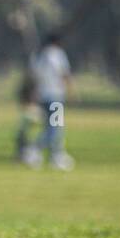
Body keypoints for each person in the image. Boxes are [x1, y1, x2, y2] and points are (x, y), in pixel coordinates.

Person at [30, 32, 75, 170]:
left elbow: (35, 76)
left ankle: (55, 155)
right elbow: (64, 74)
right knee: (55, 127)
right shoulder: (57, 54)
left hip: (43, 96)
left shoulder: (39, 55)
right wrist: (71, 91)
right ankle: (34, 149)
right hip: (55, 96)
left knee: (51, 126)